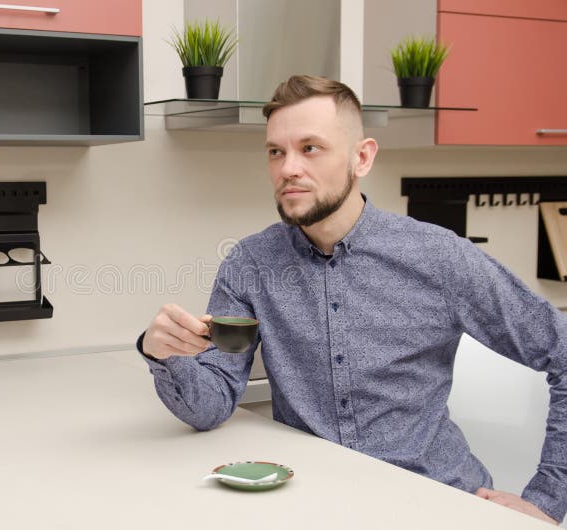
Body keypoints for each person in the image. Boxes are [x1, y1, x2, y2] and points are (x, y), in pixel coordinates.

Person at [137, 75, 566, 525]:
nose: (288, 169)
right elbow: (210, 405)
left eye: (310, 148)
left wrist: (546, 500)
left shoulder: (439, 257)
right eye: (276, 152)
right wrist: (165, 356)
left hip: (440, 501)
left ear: (361, 157)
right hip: (314, 503)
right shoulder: (251, 263)